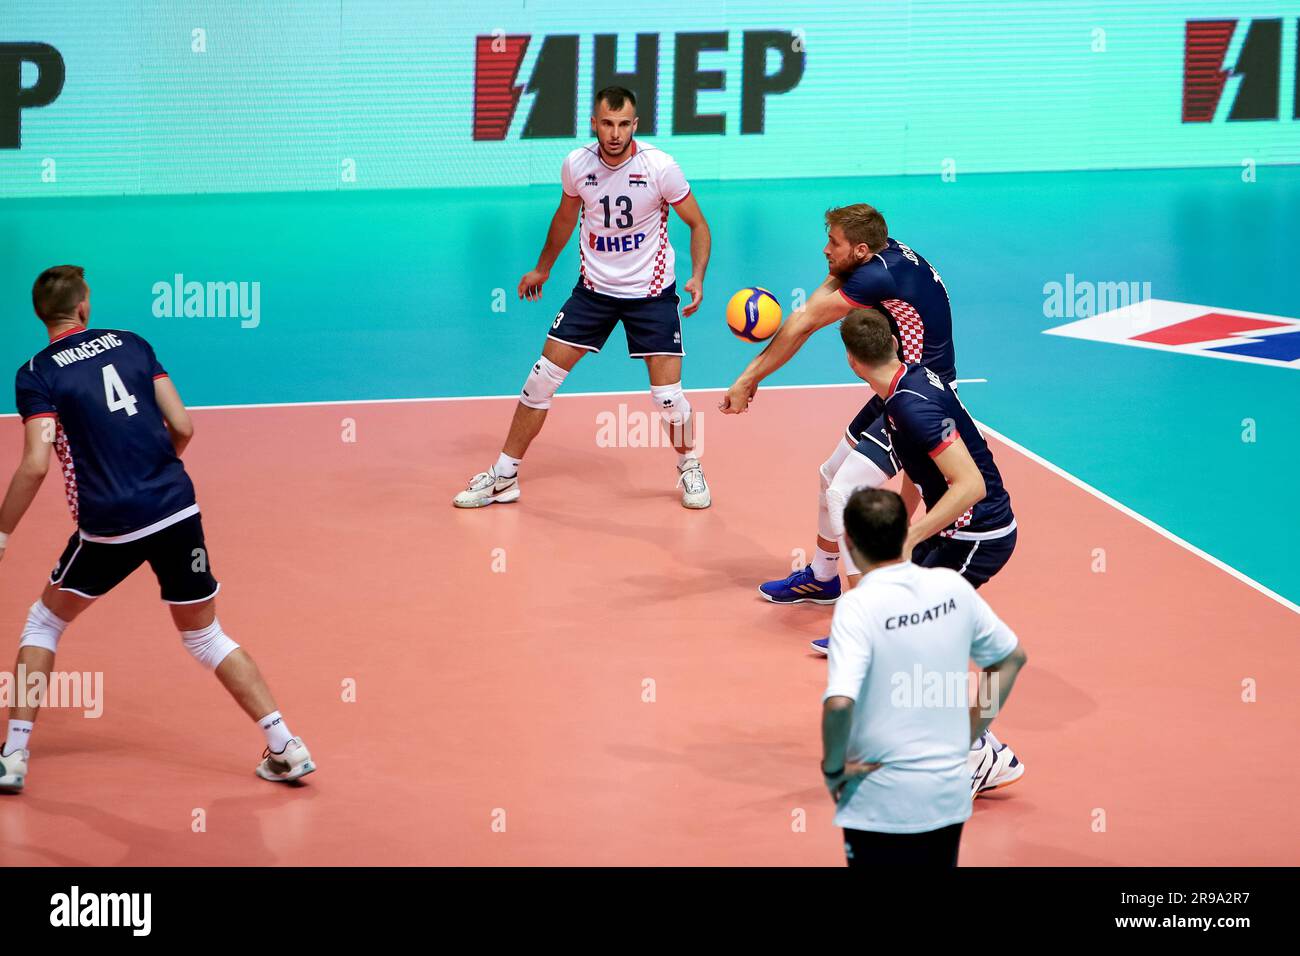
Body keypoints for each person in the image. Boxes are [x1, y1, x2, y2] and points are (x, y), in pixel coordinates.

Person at [0, 265, 313, 793]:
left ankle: (12, 757)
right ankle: (286, 746)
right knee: (205, 635)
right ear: (84, 306)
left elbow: (35, 462)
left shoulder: (36, 374)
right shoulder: (131, 343)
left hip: (109, 526)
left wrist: (3, 533)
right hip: (176, 509)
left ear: (41, 314)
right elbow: (184, 426)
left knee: (43, 624)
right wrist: (155, 475)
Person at [453, 85, 713, 510]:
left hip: (651, 295)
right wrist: (543, 267)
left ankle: (689, 465)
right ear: (594, 123)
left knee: (668, 398)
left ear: (636, 124)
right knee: (539, 380)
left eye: (623, 124)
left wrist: (698, 276)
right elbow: (565, 215)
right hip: (593, 293)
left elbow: (699, 225)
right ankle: (504, 476)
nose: (614, 133)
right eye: (606, 124)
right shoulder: (577, 165)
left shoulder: (660, 168)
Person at [815, 307, 1023, 794]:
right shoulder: (904, 388)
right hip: (950, 531)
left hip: (979, 535)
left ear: (851, 360)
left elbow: (969, 485)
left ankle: (979, 757)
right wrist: (908, 530)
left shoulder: (910, 405)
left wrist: (909, 538)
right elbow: (918, 469)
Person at [720, 203, 958, 603]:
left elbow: (806, 323)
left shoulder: (877, 277)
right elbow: (813, 305)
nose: (825, 249)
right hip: (897, 388)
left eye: (834, 242)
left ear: (861, 250)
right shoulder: (884, 253)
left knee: (843, 491)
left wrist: (748, 378)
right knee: (831, 475)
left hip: (922, 398)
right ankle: (823, 576)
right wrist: (753, 374)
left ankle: (867, 611)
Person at [820, 488, 1028, 867]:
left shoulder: (856, 607)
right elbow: (1010, 660)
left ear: (848, 542)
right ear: (907, 534)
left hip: (879, 794)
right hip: (945, 792)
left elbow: (838, 704)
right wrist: (969, 734)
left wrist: (833, 768)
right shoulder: (950, 587)